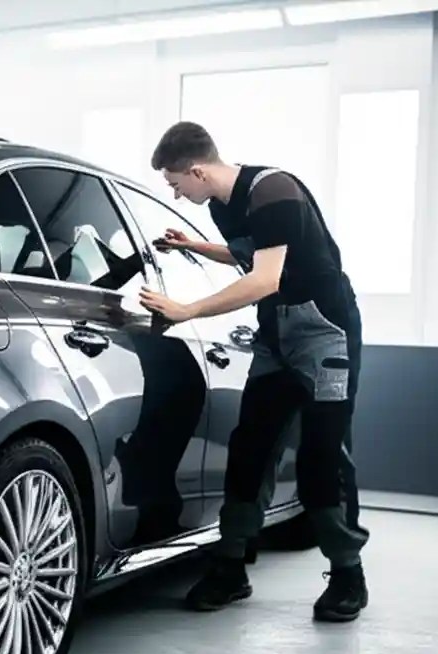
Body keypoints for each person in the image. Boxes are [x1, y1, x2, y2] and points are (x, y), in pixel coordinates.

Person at [137, 121, 370, 622]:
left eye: (177, 184)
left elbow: (265, 279)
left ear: (197, 170)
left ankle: (348, 572)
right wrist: (192, 247)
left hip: (325, 333)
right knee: (250, 450)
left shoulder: (275, 191)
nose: (178, 194)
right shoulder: (223, 205)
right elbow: (251, 254)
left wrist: (187, 310)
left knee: (322, 455)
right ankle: (230, 567)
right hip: (277, 338)